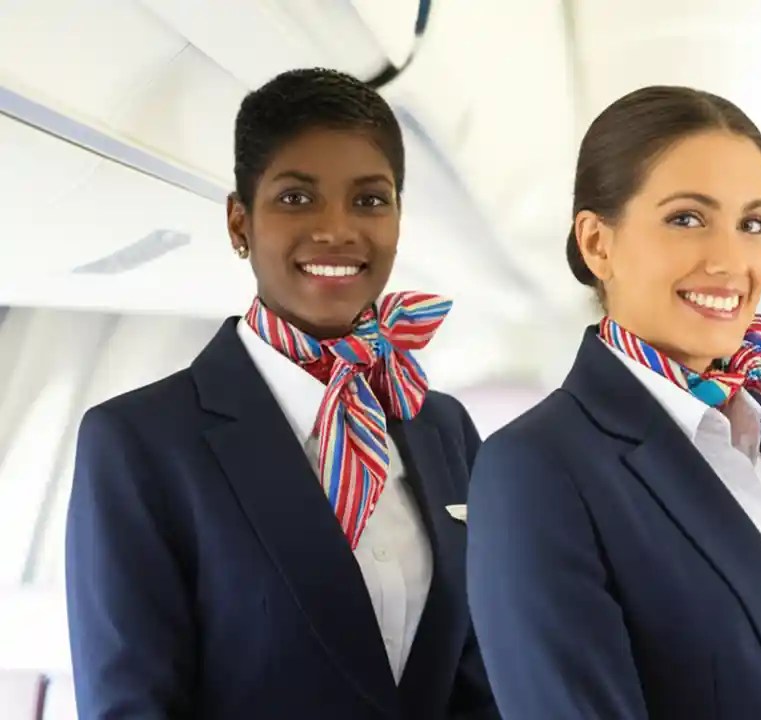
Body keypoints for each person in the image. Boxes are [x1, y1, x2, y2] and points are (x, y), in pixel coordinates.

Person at [65, 68, 496, 719]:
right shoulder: (139, 443)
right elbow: (132, 705)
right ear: (240, 222)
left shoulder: (443, 426)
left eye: (369, 200)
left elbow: (479, 677)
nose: (336, 229)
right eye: (297, 199)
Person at [464, 85, 761, 720]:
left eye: (752, 224)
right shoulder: (535, 469)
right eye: (687, 219)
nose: (729, 260)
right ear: (596, 245)